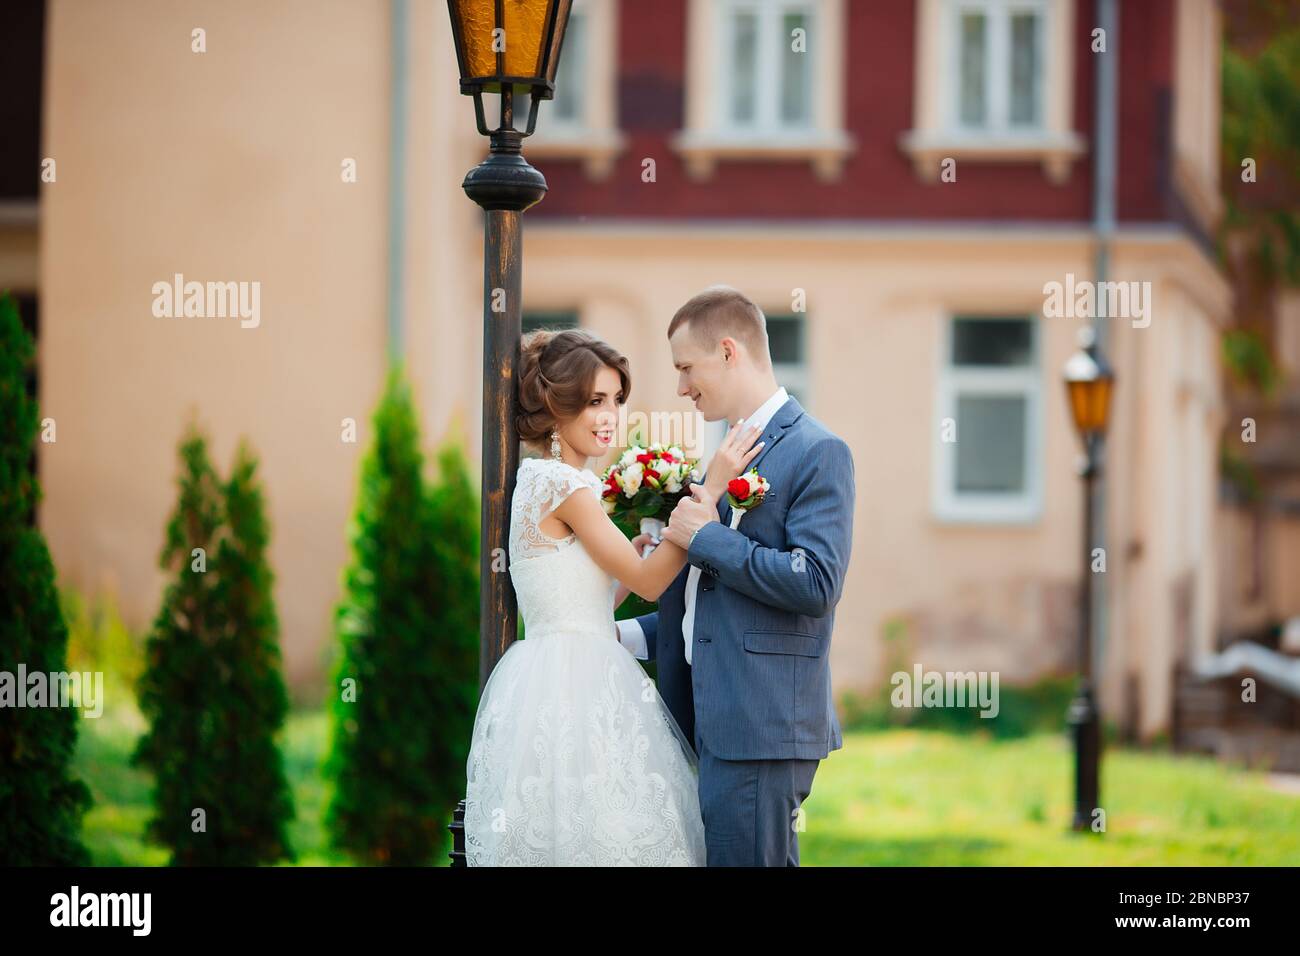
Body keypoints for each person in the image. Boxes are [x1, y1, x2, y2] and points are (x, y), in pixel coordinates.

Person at [464, 327, 763, 865]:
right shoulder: (569, 486)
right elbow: (652, 585)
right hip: (580, 681)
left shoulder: (537, 478)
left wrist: (637, 554)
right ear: (558, 406)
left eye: (617, 400)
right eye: (594, 401)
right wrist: (709, 493)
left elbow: (591, 598)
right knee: (606, 830)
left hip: (547, 670)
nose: (610, 415)